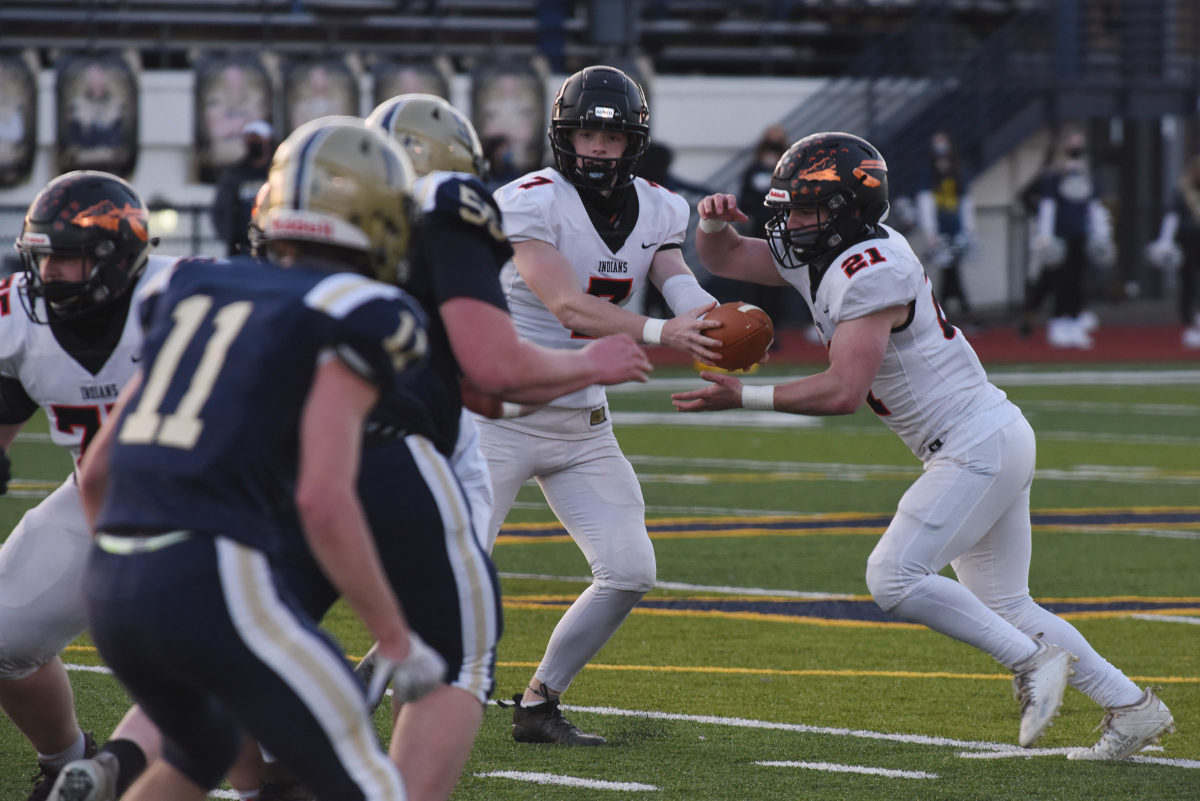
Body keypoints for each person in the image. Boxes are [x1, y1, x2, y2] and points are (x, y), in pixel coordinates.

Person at [677, 131, 1175, 760]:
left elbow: (841, 391)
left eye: (806, 210)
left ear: (849, 211)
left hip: (974, 444)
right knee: (1006, 603)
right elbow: (726, 261)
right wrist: (713, 226)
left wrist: (742, 398)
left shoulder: (870, 269)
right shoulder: (830, 246)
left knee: (894, 576)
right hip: (987, 436)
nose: (790, 223)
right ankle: (1132, 709)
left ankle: (1030, 663)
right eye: (789, 209)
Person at [67, 117, 444, 801]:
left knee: (200, 751)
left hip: (113, 583)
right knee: (369, 778)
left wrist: (133, 566)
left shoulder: (191, 287)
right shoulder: (361, 307)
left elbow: (96, 471)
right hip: (210, 573)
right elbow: (322, 497)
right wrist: (394, 637)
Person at [479, 64, 724, 746]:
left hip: (581, 423)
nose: (597, 148)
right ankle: (368, 685)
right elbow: (565, 303)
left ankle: (539, 702)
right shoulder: (530, 200)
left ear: (633, 144)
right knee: (455, 571)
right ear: (565, 134)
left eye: (611, 139)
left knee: (630, 569)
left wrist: (721, 323)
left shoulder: (659, 208)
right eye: (587, 133)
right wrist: (659, 333)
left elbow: (677, 281)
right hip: (499, 416)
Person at [0, 170, 176, 801]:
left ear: (114, 257)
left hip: (214, 504)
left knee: (214, 667)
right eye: (42, 258)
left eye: (66, 261)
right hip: (96, 495)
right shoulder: (18, 313)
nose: (48, 276)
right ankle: (67, 767)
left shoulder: (189, 293)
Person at [1025, 128, 1114, 348]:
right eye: (1072, 145)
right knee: (1060, 282)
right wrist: (1045, 236)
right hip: (1059, 236)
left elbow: (1094, 207)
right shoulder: (1053, 176)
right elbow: (1048, 206)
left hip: (1080, 235)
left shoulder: (1087, 176)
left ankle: (1074, 322)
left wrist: (1101, 234)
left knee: (1077, 282)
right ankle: (1058, 323)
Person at [916, 130, 976, 319]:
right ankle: (960, 311)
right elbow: (925, 203)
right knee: (949, 270)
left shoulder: (958, 173)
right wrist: (930, 232)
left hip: (956, 230)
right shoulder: (929, 175)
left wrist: (969, 230)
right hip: (939, 231)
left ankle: (944, 311)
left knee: (951, 270)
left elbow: (965, 202)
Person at [1147, 153, 1200, 347]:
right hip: (1188, 241)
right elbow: (1172, 217)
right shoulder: (1182, 192)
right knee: (1189, 281)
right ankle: (1188, 322)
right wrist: (1165, 241)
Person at [210, 119, 274, 256]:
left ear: (267, 141)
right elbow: (221, 209)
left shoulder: (276, 173)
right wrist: (229, 237)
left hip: (271, 248)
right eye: (250, 139)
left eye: (257, 139)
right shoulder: (234, 174)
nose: (253, 143)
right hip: (240, 248)